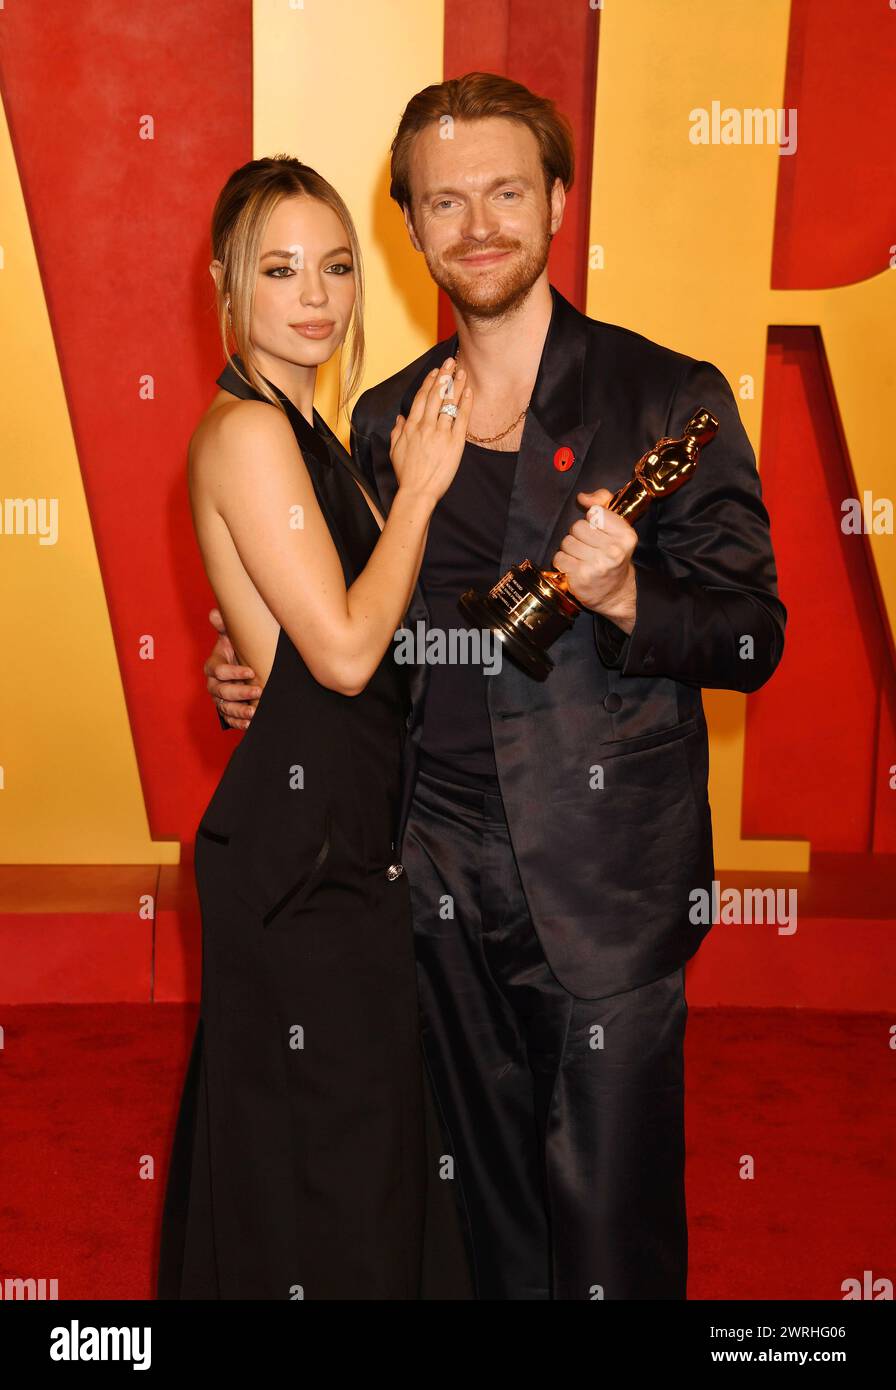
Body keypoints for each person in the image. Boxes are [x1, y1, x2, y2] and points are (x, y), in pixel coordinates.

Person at [206, 75, 786, 1300]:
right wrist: (266, 671)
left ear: (558, 203)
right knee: (473, 1240)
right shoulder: (380, 421)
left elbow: (751, 639)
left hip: (605, 893)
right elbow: (372, 635)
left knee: (609, 1241)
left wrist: (635, 601)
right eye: (444, 200)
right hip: (422, 894)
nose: (476, 224)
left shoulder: (664, 397)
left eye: (506, 192)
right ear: (411, 227)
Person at [157, 155, 474, 1300]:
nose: (317, 294)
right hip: (298, 863)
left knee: (348, 1146)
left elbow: (331, 642)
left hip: (339, 838)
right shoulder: (249, 435)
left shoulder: (310, 432)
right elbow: (344, 651)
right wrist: (423, 493)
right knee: (324, 1156)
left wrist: (246, 656)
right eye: (280, 267)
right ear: (224, 281)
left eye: (336, 266)